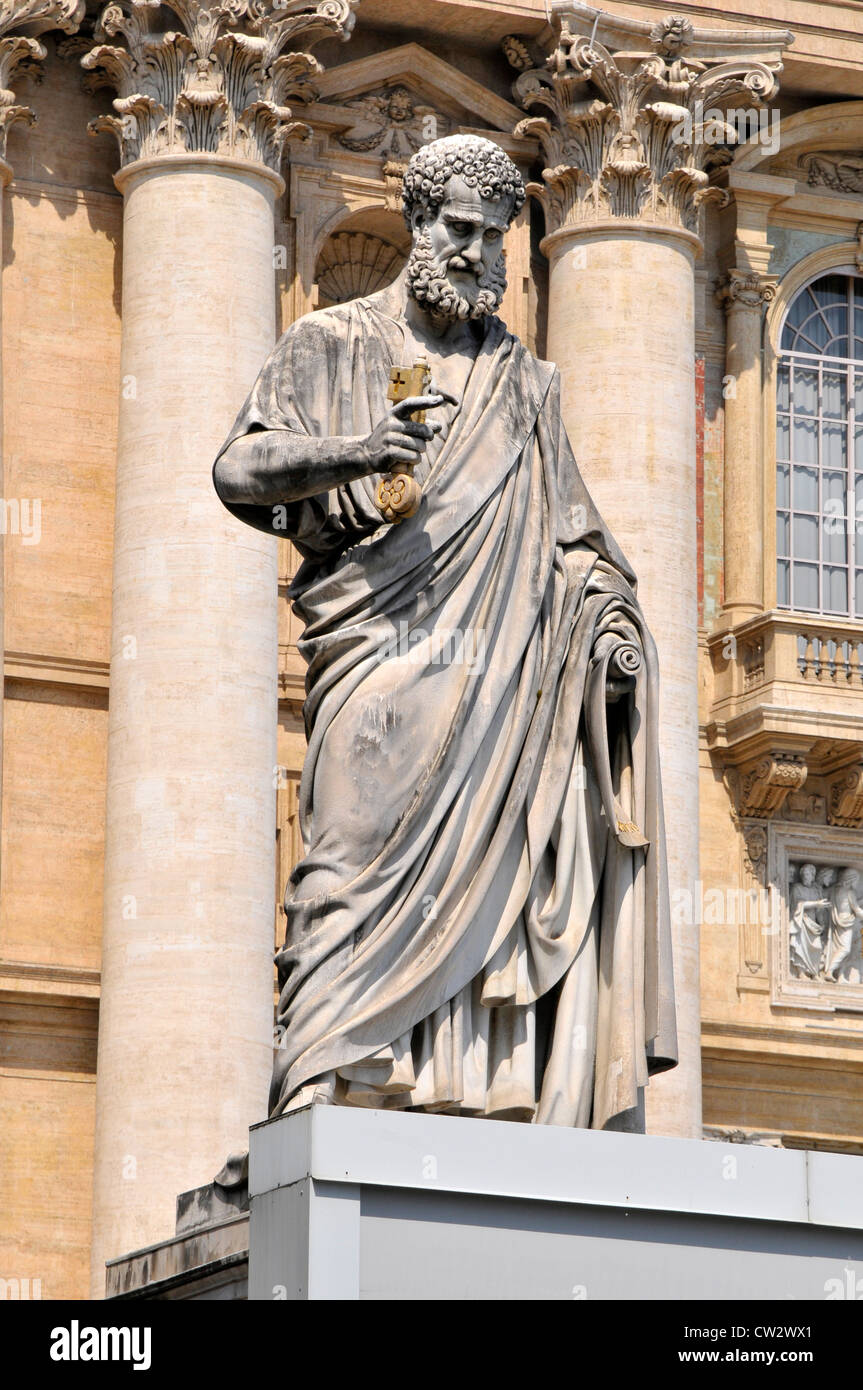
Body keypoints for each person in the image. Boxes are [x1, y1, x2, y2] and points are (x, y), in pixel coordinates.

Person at [213, 134, 677, 1130]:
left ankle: (461, 1090)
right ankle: (314, 1088)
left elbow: (572, 533)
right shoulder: (330, 343)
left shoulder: (523, 381)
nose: (473, 252)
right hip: (374, 662)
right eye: (457, 230)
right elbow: (236, 474)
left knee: (496, 871)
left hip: (498, 686)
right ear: (415, 227)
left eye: (492, 238)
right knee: (342, 860)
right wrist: (355, 450)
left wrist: (607, 622)